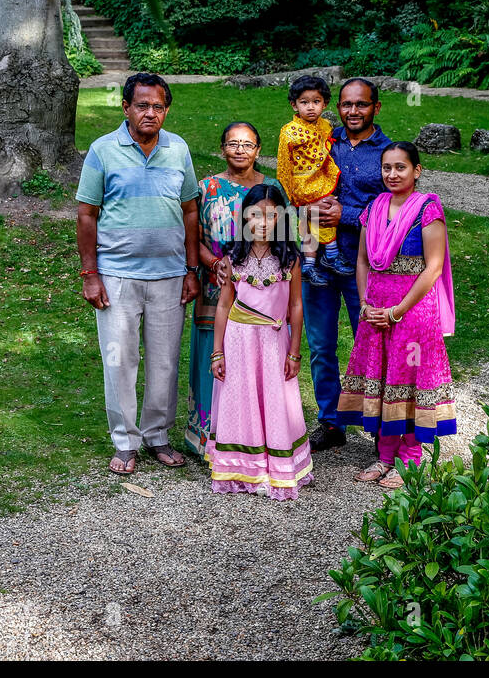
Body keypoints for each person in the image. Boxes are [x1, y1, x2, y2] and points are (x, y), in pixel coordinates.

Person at [75, 72, 201, 475]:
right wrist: (90, 274)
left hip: (169, 274)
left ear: (166, 110)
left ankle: (157, 437)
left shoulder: (178, 149)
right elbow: (86, 214)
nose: (151, 113)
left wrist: (192, 269)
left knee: (164, 362)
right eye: (142, 105)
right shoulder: (102, 150)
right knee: (120, 360)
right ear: (126, 107)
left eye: (158, 106)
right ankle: (125, 442)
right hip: (117, 276)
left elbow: (190, 210)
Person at [338, 141, 457, 490]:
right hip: (375, 309)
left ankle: (411, 461)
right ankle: (385, 456)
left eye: (400, 167)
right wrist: (364, 304)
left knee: (409, 378)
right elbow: (362, 260)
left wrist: (397, 311)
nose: (392, 174)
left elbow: (433, 267)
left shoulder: (427, 209)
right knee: (383, 376)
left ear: (416, 171)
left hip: (413, 311)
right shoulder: (374, 207)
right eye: (387, 167)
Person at [184, 121, 288, 458]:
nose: (240, 149)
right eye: (233, 143)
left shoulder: (273, 187)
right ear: (222, 148)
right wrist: (215, 264)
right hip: (216, 288)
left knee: (254, 362)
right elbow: (193, 238)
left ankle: (253, 437)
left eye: (247, 144)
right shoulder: (206, 188)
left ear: (259, 150)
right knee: (214, 358)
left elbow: (288, 237)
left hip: (263, 293)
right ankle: (207, 439)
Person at [206, 184, 314, 499]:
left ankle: (277, 467)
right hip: (238, 341)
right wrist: (217, 352)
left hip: (273, 341)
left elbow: (295, 305)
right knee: (241, 400)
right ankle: (242, 467)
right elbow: (224, 306)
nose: (262, 222)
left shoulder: (289, 258)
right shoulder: (233, 257)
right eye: (255, 215)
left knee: (273, 398)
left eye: (270, 215)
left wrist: (294, 352)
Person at [302, 77, 392, 451]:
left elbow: (395, 211)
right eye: (346, 104)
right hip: (318, 263)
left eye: (361, 104)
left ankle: (377, 423)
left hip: (366, 265)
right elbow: (298, 186)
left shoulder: (388, 153)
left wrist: (347, 214)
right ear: (336, 106)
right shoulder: (321, 140)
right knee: (321, 346)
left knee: (368, 343)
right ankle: (331, 422)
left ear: (375, 107)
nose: (353, 111)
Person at [275, 75, 347, 287]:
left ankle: (317, 261)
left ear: (324, 104)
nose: (310, 107)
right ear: (294, 105)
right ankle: (314, 261)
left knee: (319, 215)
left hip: (320, 180)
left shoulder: (325, 125)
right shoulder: (289, 132)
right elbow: (283, 164)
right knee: (308, 218)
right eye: (304, 102)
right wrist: (288, 195)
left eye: (316, 102)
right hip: (300, 185)